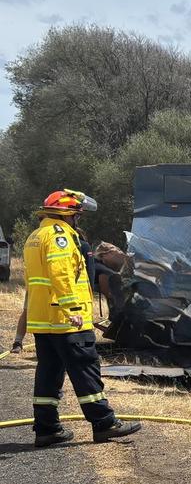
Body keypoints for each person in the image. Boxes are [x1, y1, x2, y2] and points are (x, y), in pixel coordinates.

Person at [25, 189, 140, 447]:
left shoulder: (36, 235)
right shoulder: (60, 237)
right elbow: (61, 274)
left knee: (48, 373)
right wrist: (74, 310)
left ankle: (47, 429)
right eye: (78, 214)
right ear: (68, 214)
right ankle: (104, 423)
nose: (79, 219)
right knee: (86, 368)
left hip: (44, 319)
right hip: (66, 319)